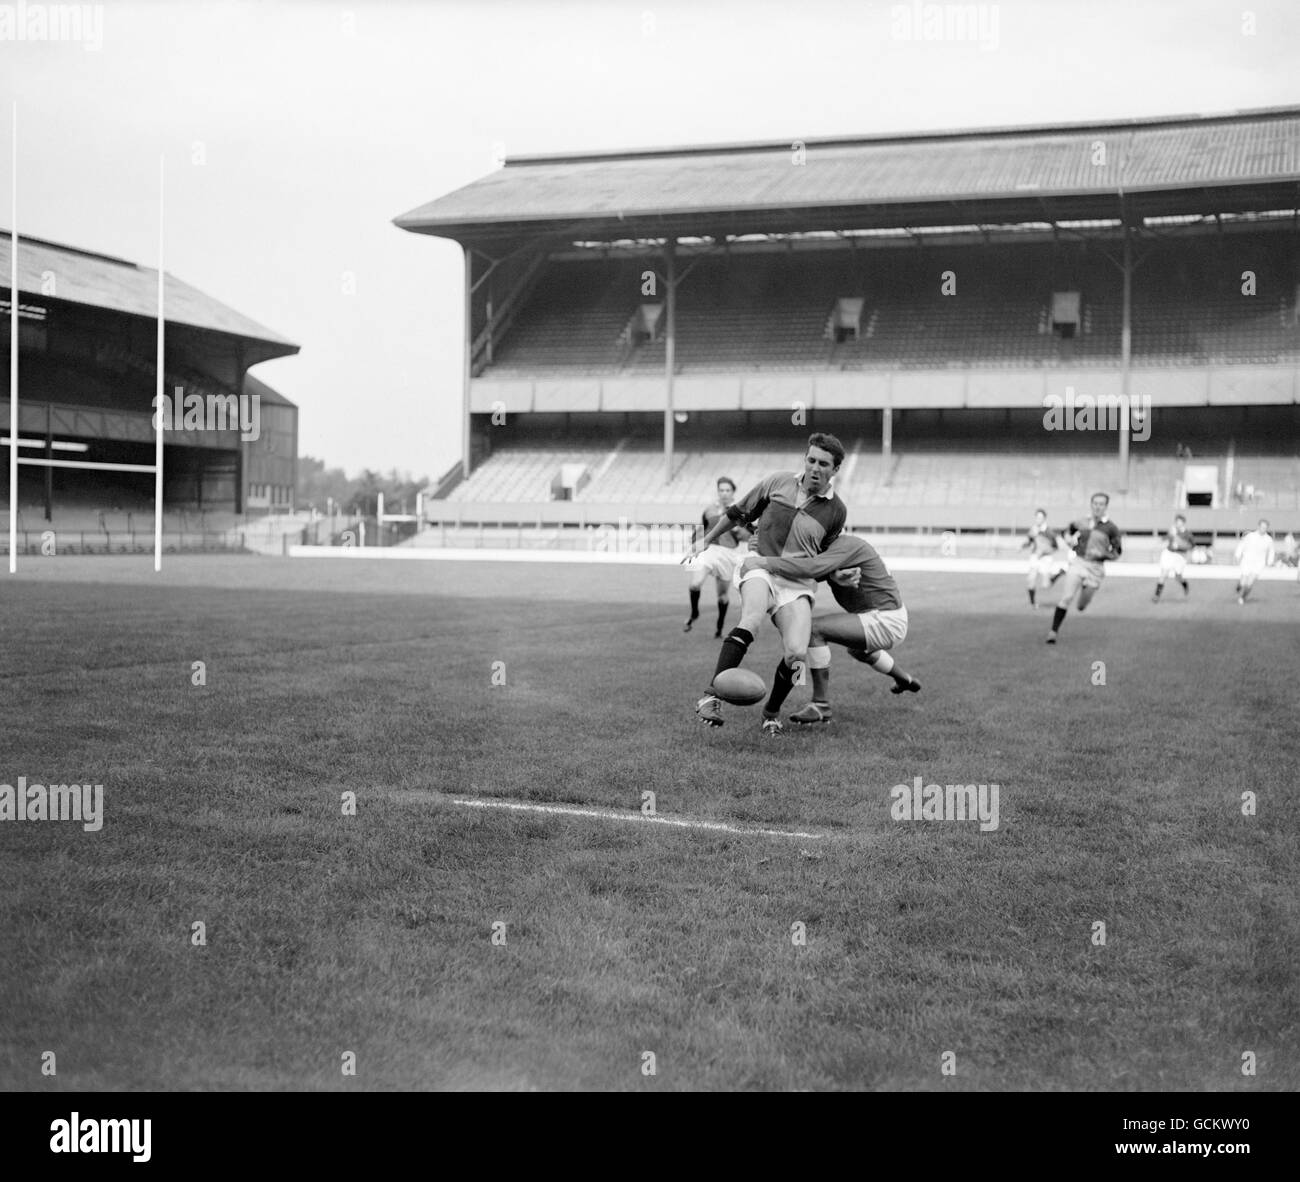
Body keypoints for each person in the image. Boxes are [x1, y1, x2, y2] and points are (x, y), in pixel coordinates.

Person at [681, 433, 848, 735]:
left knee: (797, 654)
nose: (814, 467)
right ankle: (710, 696)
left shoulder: (837, 511)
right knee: (752, 618)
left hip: (798, 583)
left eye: (823, 463)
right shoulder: (778, 482)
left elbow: (822, 561)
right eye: (810, 460)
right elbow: (738, 512)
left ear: (834, 470)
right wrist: (705, 540)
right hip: (759, 565)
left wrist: (839, 576)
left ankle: (771, 711)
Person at [739, 533, 919, 726]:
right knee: (858, 651)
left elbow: (810, 569)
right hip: (887, 617)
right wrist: (763, 543)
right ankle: (905, 680)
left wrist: (762, 561)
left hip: (885, 619)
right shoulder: (834, 548)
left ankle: (820, 704)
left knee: (813, 630)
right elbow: (812, 569)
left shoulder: (845, 545)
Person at [1046, 492, 1122, 645]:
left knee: (1081, 606)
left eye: (1101, 504)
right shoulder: (1082, 521)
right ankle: (1053, 632)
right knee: (1066, 597)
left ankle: (1086, 591)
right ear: (1091, 504)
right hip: (1079, 562)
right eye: (1095, 503)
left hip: (1096, 567)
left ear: (1106, 506)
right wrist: (1069, 540)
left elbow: (1118, 551)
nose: (1097, 506)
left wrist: (1104, 555)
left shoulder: (1111, 528)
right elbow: (1066, 531)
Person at [683, 477, 751, 636]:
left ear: (733, 492)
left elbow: (749, 535)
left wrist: (739, 532)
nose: (724, 493)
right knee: (695, 584)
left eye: (728, 490)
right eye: (721, 490)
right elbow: (702, 529)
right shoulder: (709, 510)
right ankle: (694, 613)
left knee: (722, 596)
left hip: (728, 554)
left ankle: (719, 627)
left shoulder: (740, 511)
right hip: (709, 550)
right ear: (718, 491)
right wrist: (694, 543)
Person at [1023, 508, 1067, 608]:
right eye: (1037, 517)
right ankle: (1033, 604)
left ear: (1044, 519)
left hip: (1046, 558)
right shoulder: (1033, 530)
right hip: (1035, 557)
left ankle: (1059, 573)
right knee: (1031, 580)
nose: (1038, 519)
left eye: (1040, 517)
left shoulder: (1049, 532)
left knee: (1046, 585)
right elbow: (1029, 541)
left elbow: (1056, 547)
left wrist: (1045, 551)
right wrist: (1022, 546)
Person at [1152, 514, 1193, 602]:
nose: (1177, 524)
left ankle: (1184, 584)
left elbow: (1189, 546)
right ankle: (1157, 595)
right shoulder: (1173, 531)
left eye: (1179, 522)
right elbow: (1165, 538)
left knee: (1178, 576)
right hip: (1169, 554)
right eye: (1176, 522)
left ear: (1183, 523)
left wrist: (1175, 536)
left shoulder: (1187, 534)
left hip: (1180, 556)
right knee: (1164, 573)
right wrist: (1159, 542)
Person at [1234, 520, 1275, 604]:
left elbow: (1271, 551)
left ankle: (1242, 598)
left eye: (1265, 528)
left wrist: (1270, 561)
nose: (1263, 529)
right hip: (1247, 561)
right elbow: (1241, 545)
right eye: (1262, 527)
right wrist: (1237, 555)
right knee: (1243, 582)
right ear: (1258, 526)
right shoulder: (1250, 536)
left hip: (1258, 564)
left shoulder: (1268, 539)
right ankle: (1239, 586)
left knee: (1250, 582)